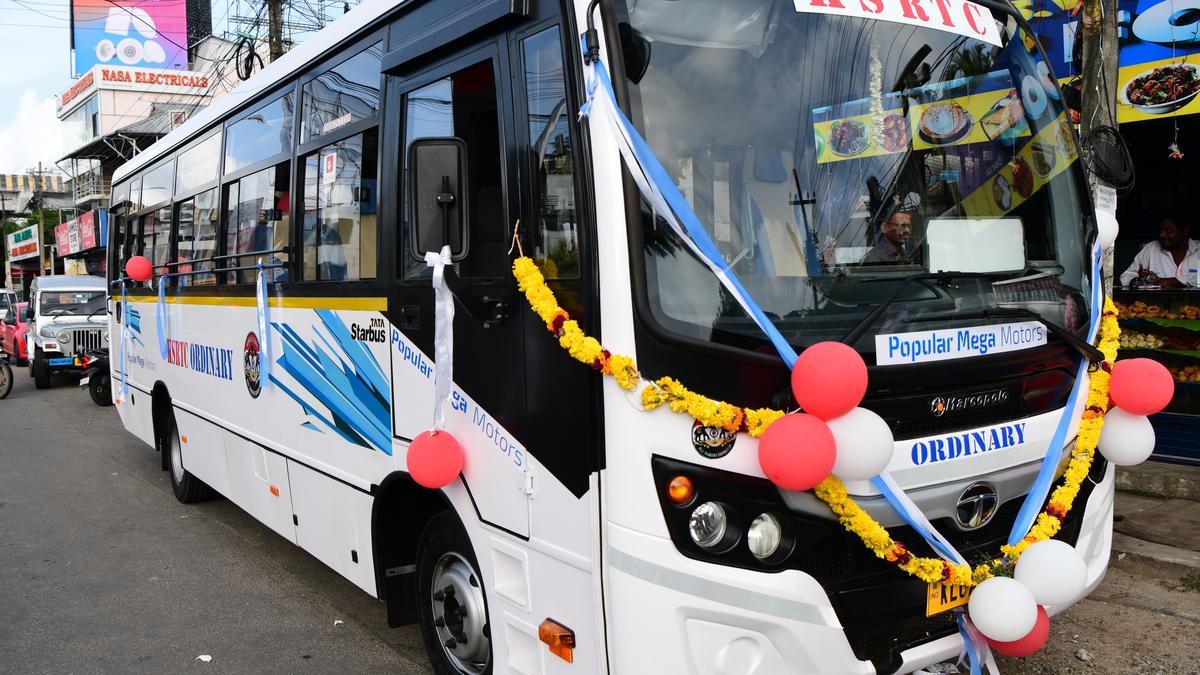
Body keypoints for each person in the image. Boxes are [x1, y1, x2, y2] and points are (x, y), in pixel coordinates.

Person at [1119, 214, 1200, 287]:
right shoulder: (1151, 248)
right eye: (1161, 231)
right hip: (1155, 300)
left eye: (1169, 231)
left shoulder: (1198, 249)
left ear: (1185, 232)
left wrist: (1169, 282)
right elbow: (1126, 276)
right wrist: (1141, 281)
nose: (1162, 235)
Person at [862, 194, 920, 264]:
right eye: (901, 226)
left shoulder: (902, 254)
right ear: (884, 228)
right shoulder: (874, 258)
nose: (907, 230)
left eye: (909, 226)